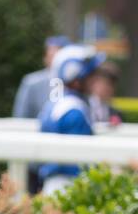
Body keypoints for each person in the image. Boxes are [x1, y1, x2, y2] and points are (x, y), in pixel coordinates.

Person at [37, 43, 104, 195]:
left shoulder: (59, 103)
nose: (96, 79)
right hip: (69, 187)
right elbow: (80, 163)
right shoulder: (74, 110)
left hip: (56, 185)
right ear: (76, 77)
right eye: (92, 74)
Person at [12, 35, 70, 119]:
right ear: (45, 57)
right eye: (51, 56)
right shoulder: (32, 82)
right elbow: (20, 115)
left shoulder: (74, 83)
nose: (55, 60)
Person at [85, 60, 124, 126]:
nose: (108, 89)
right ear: (94, 82)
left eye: (111, 85)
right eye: (105, 84)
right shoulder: (83, 106)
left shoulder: (115, 112)